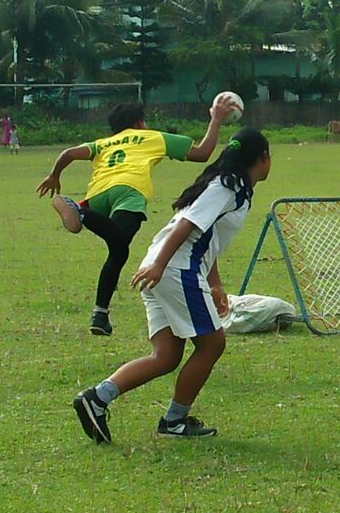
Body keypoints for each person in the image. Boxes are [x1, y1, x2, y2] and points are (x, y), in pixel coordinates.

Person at [73, 129, 272, 444]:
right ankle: (175, 420)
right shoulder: (227, 188)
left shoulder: (225, 185)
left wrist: (215, 282)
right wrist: (161, 266)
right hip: (174, 270)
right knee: (213, 344)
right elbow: (187, 226)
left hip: (164, 267)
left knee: (165, 356)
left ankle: (97, 398)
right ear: (263, 158)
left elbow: (205, 238)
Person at [36, 97, 237, 336]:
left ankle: (100, 314)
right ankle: (78, 211)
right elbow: (203, 153)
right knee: (120, 238)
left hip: (98, 194)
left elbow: (69, 153)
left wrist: (54, 176)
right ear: (140, 122)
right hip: (128, 191)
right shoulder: (153, 137)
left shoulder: (103, 143)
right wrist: (215, 119)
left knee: (119, 250)